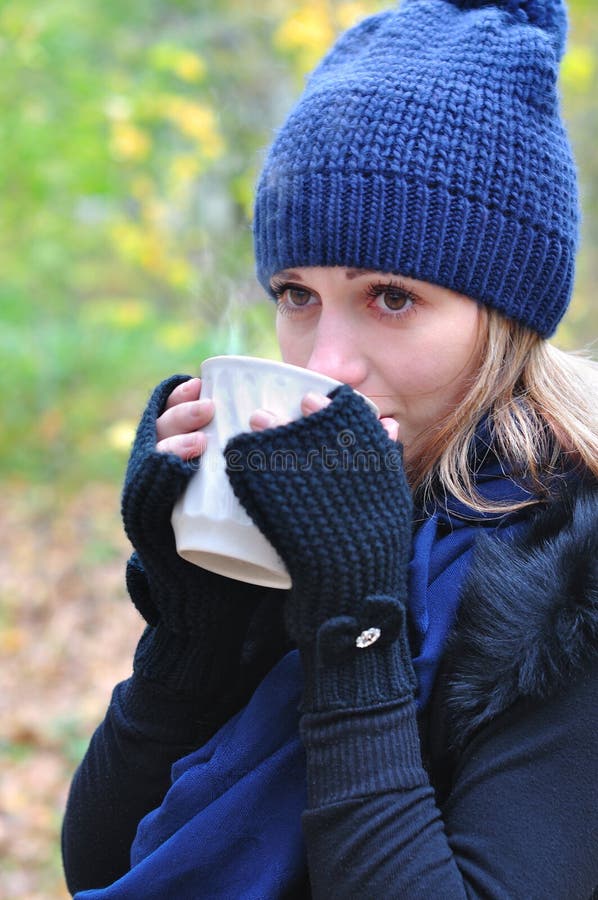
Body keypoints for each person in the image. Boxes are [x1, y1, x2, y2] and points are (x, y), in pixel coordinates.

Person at [62, 0, 598, 897]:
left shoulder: (567, 571)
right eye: (296, 294)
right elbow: (104, 862)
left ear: (504, 314)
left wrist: (356, 624)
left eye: (391, 296)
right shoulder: (301, 516)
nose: (328, 364)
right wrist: (190, 631)